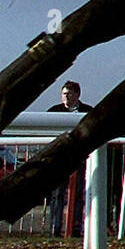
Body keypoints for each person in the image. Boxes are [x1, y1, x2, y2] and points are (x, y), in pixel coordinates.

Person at [46, 81, 89, 237]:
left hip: (79, 158)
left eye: (69, 94)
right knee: (57, 193)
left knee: (78, 193)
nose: (66, 97)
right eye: (64, 94)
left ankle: (76, 226)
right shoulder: (53, 112)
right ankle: (55, 227)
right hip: (59, 159)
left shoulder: (87, 111)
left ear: (77, 94)